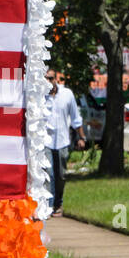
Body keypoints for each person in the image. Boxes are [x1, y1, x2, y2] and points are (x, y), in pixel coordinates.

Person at [44, 70, 85, 214]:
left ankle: (58, 203)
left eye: (50, 78)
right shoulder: (40, 96)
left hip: (62, 140)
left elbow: (75, 117)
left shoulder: (67, 94)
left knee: (61, 175)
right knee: (48, 174)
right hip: (46, 141)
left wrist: (81, 137)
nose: (48, 82)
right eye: (45, 79)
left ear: (56, 79)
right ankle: (48, 206)